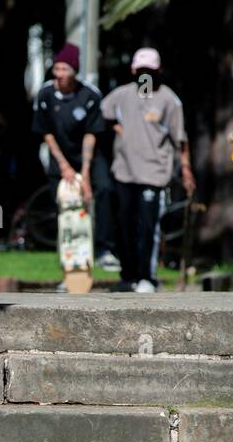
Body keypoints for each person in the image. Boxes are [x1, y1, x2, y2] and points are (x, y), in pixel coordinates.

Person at [100, 47, 195, 293]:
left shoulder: (168, 99)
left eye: (149, 71)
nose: (145, 75)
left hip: (154, 173)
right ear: (133, 71)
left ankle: (147, 277)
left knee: (148, 226)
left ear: (158, 71)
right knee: (124, 225)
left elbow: (180, 138)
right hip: (124, 171)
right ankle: (128, 275)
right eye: (141, 71)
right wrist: (118, 130)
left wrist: (186, 169)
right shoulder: (121, 95)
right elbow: (103, 114)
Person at [32, 43, 118, 283]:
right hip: (60, 155)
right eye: (56, 69)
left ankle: (103, 249)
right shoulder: (45, 94)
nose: (59, 74)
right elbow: (46, 133)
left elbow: (92, 134)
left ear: (74, 71)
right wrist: (64, 167)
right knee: (64, 206)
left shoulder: (90, 95)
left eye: (64, 69)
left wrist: (85, 174)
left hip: (89, 156)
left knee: (104, 189)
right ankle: (69, 263)